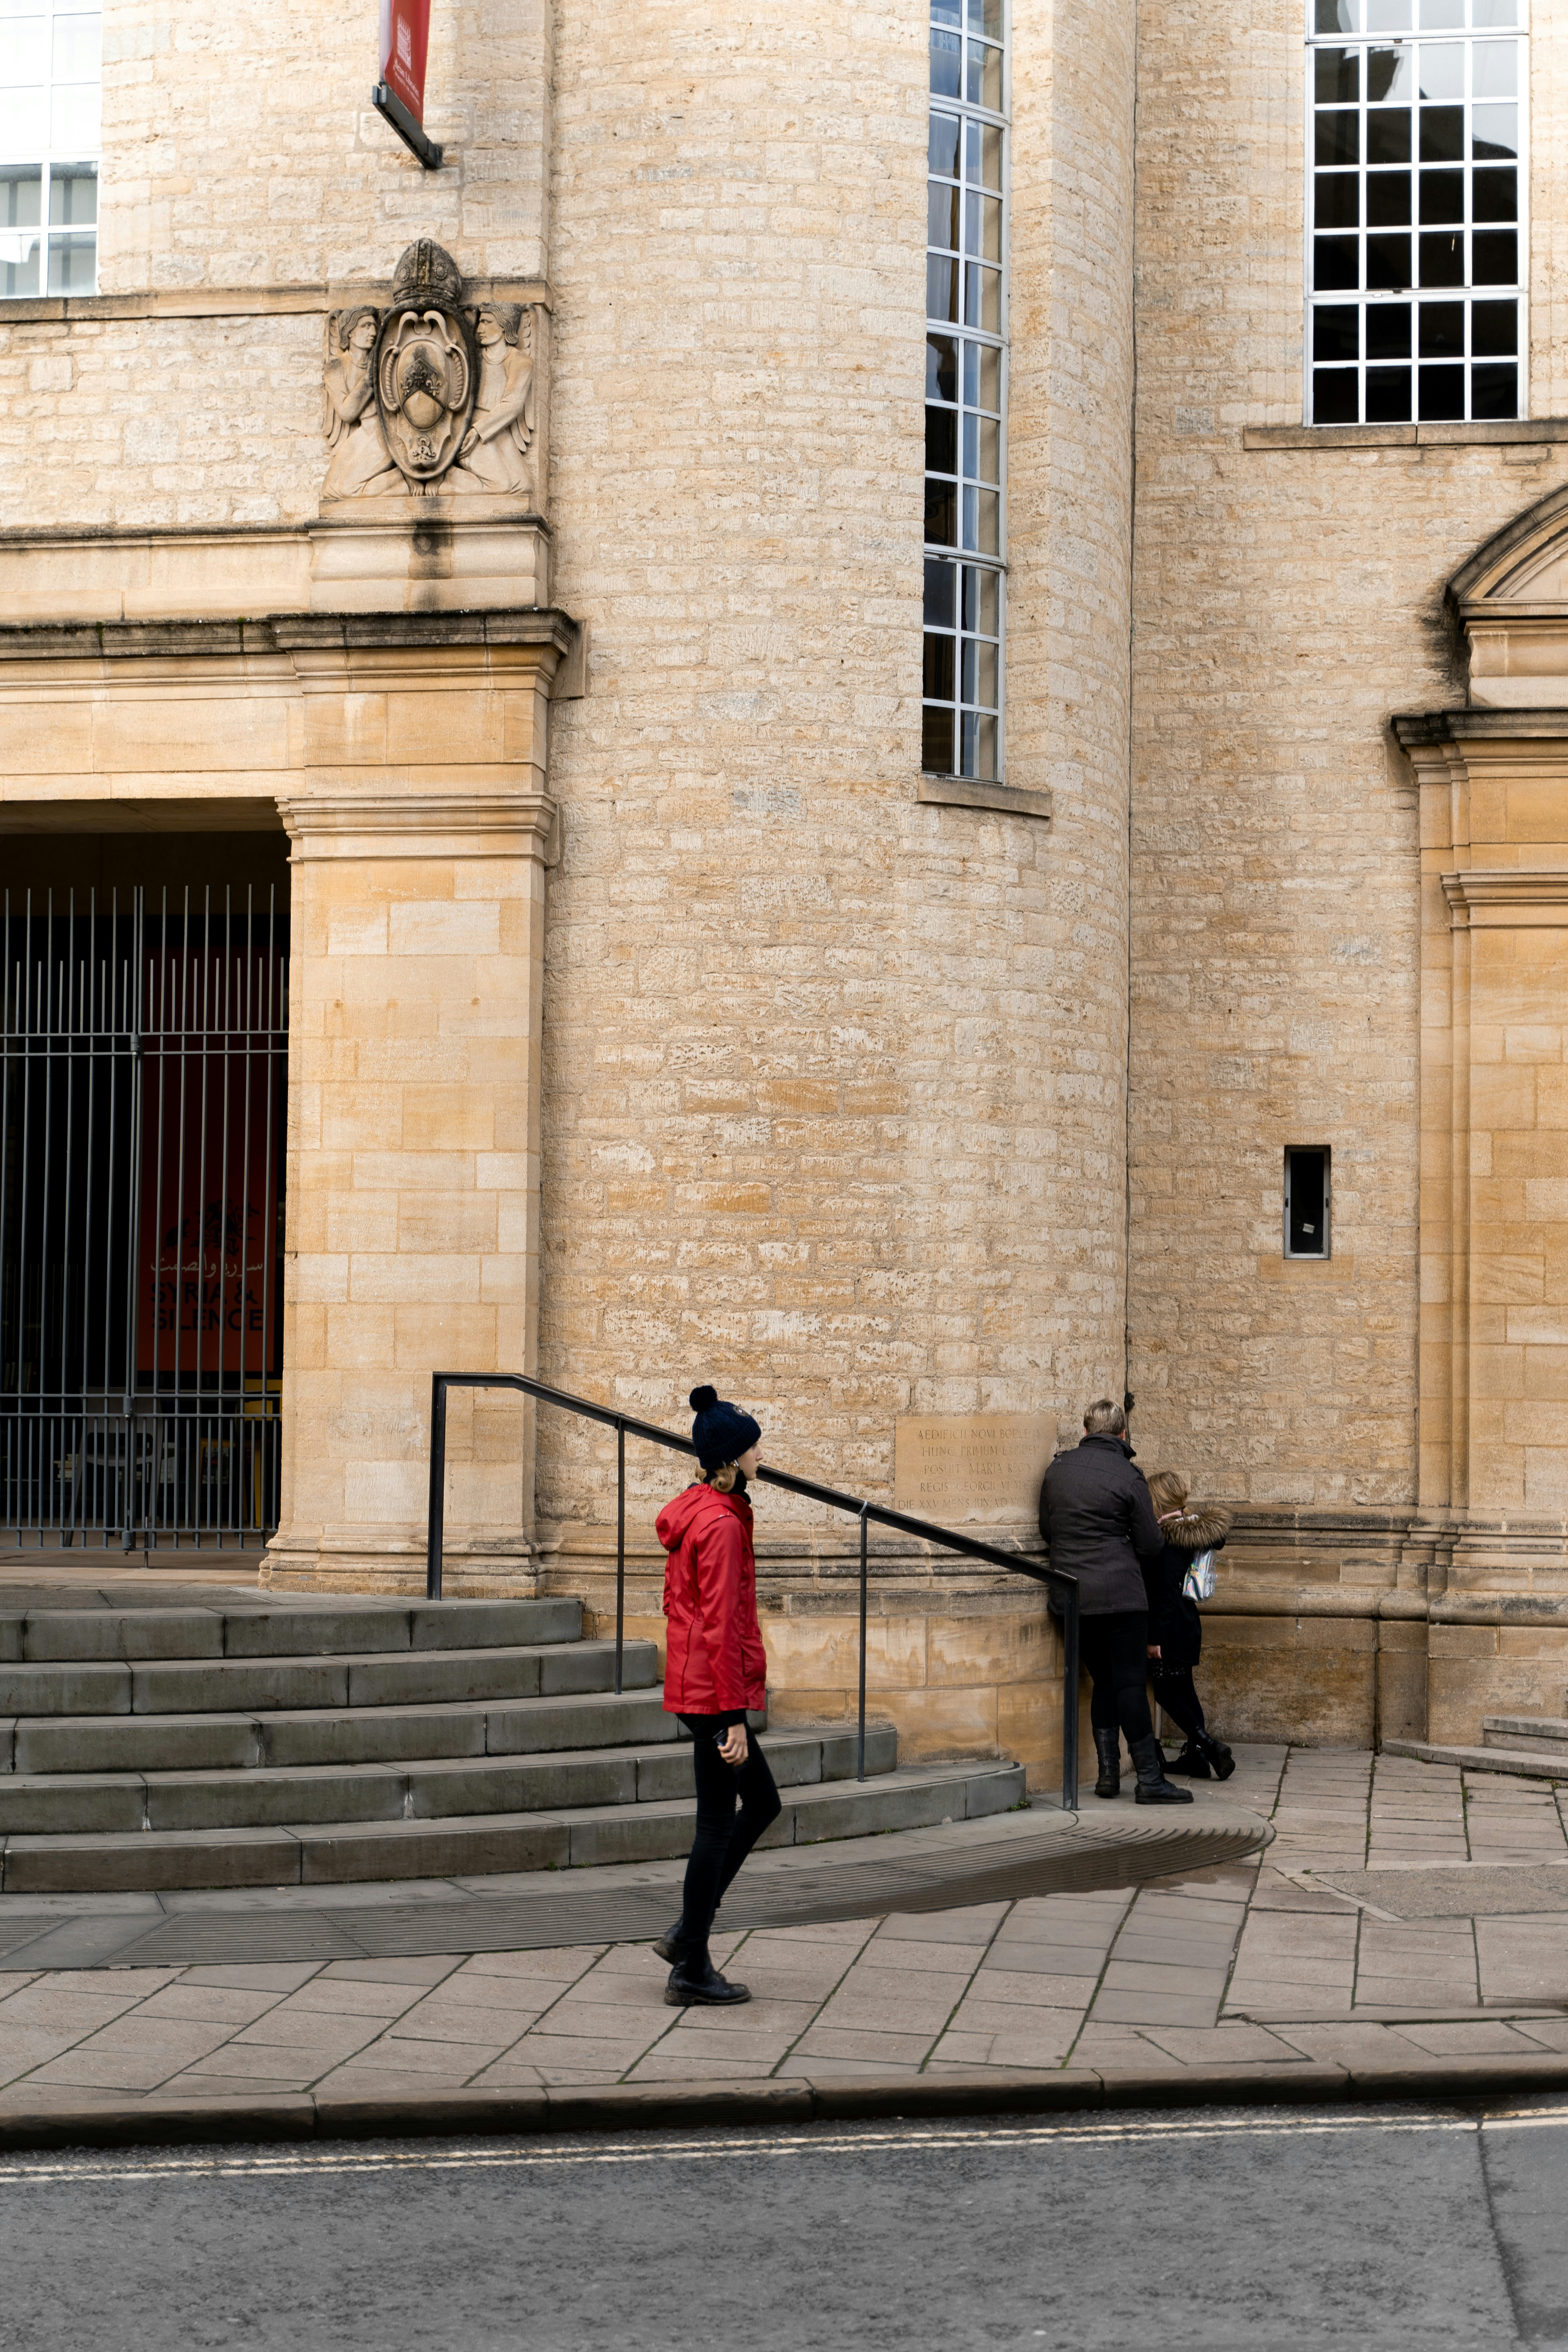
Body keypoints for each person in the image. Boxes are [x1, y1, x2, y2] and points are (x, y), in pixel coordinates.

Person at [651, 1382, 782, 2005]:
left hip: (697, 1686)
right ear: (730, 1461)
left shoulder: (700, 1508)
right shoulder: (723, 1528)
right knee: (718, 1822)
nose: (761, 1454)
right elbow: (719, 1623)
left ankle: (688, 1937)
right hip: (711, 1695)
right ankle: (690, 1962)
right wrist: (732, 1716)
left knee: (759, 1805)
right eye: (753, 1447)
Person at [1038, 1398, 1191, 1806]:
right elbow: (1150, 1544)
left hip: (1072, 1595)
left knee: (1102, 1682)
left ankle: (1108, 1777)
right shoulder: (1129, 1475)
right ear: (1122, 1434)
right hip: (1121, 1596)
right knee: (1127, 1684)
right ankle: (1150, 1781)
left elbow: (1048, 1529)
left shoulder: (1057, 1470)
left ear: (1086, 1430)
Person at [1144, 1470, 1235, 1780]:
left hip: (1171, 1629)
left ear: (1158, 1501)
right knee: (1186, 1691)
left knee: (1167, 1695)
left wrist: (1155, 1638)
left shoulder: (1169, 1540)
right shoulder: (1193, 1531)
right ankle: (1196, 1758)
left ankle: (1209, 1747)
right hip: (1187, 1625)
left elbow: (1166, 1594)